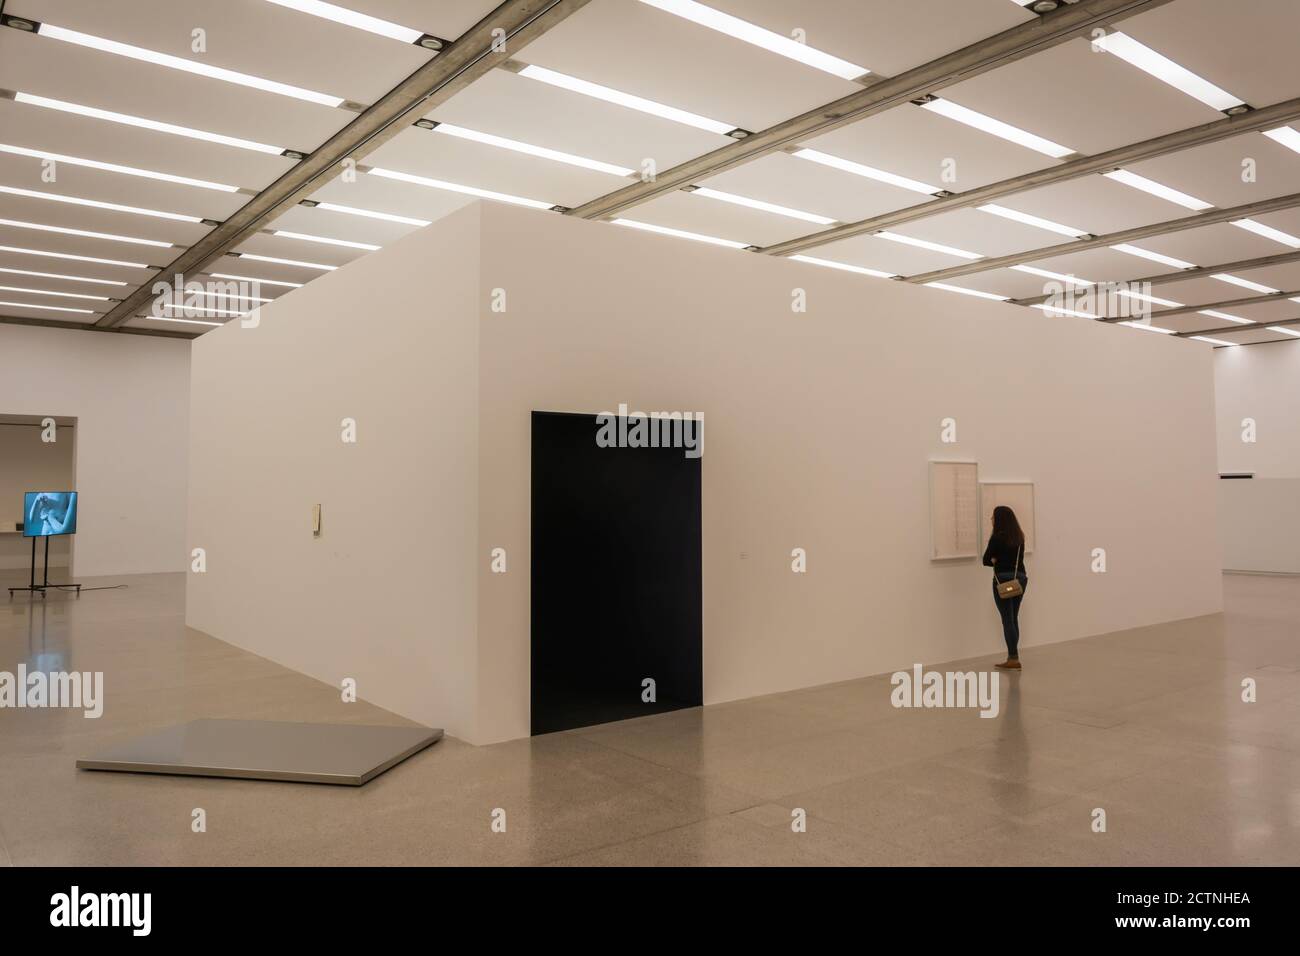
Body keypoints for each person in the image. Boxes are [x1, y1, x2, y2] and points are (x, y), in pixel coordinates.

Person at [982, 505, 1027, 670]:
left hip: (1003, 581)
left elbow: (986, 560)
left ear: (1000, 519)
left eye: (993, 516)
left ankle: (1013, 658)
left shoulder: (997, 538)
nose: (991, 519)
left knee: (1007, 620)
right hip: (1020, 579)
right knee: (1013, 618)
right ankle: (1013, 656)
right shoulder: (1019, 537)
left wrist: (995, 559)